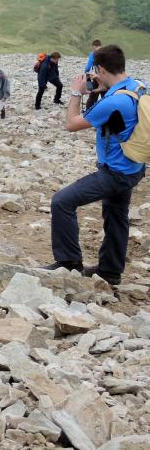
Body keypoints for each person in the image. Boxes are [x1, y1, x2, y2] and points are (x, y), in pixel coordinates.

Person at [44, 44, 145, 286]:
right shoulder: (138, 86)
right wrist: (104, 87)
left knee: (62, 202)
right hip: (135, 166)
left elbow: (72, 123)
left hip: (115, 172)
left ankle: (68, 262)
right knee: (116, 215)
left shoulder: (113, 102)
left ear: (100, 69)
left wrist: (76, 92)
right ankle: (110, 271)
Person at [85, 39, 103, 111]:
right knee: (105, 95)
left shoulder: (93, 53)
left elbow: (88, 67)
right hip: (106, 78)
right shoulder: (107, 52)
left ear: (94, 46)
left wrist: (86, 73)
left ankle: (89, 111)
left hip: (97, 77)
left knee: (93, 96)